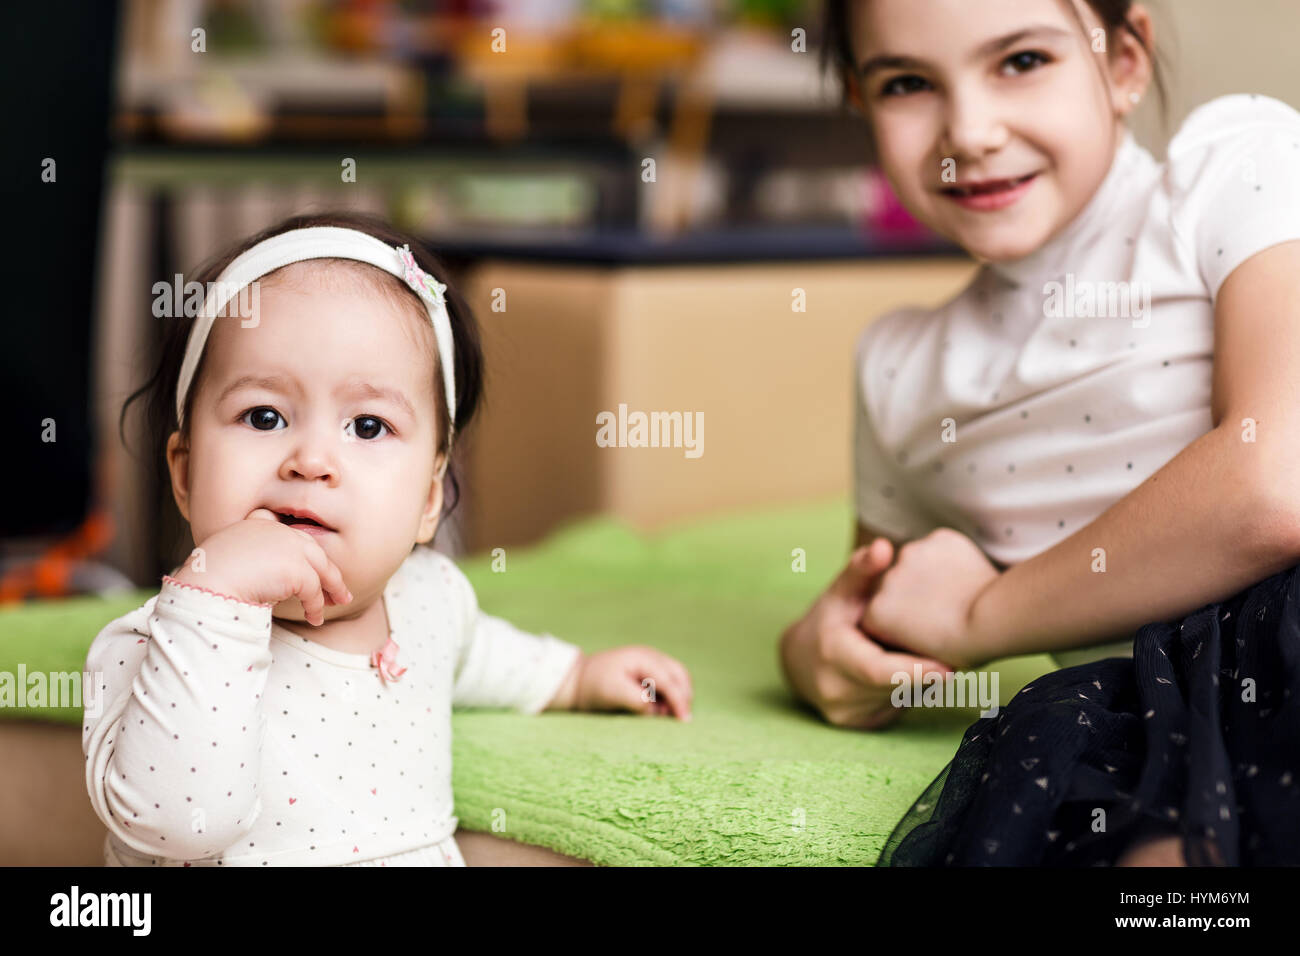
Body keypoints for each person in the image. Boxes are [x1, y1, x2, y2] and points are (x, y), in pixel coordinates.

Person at [781, 0, 1300, 865]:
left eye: (1021, 61)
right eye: (907, 83)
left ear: (1126, 59)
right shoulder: (902, 367)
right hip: (1148, 709)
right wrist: (814, 652)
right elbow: (898, 609)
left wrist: (986, 616)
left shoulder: (1233, 167)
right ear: (860, 102)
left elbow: (1276, 481)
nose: (970, 131)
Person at [84, 211, 693, 867]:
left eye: (368, 427)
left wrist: (577, 676)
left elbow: (485, 656)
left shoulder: (431, 599)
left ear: (429, 501)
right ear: (184, 473)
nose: (311, 459)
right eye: (264, 416)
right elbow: (179, 824)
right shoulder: (159, 649)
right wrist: (217, 597)